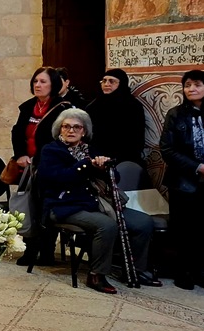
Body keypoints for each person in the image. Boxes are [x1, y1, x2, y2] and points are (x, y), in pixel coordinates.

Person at [37, 108, 158, 294]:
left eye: (77, 127)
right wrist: (86, 164)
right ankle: (97, 275)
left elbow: (114, 178)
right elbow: (56, 178)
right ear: (59, 129)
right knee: (107, 225)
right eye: (66, 126)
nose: (71, 131)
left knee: (143, 222)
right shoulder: (51, 150)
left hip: (97, 202)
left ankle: (135, 270)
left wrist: (104, 167)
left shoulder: (90, 149)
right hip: (64, 206)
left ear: (84, 131)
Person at [159, 70, 204, 290]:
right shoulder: (176, 114)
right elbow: (167, 149)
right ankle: (181, 272)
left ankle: (200, 270)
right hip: (184, 182)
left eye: (197, 84)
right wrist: (198, 167)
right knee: (182, 229)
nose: (191, 89)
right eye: (187, 85)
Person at [10, 67, 69, 172]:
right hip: (28, 164)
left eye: (43, 82)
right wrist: (20, 155)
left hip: (51, 164)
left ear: (53, 84)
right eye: (35, 81)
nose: (37, 85)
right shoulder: (27, 107)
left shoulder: (63, 109)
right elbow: (17, 132)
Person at [86, 68, 146, 164]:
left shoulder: (132, 106)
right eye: (104, 81)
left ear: (121, 84)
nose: (106, 84)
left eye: (112, 81)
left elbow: (136, 137)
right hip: (97, 157)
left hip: (124, 158)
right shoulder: (94, 105)